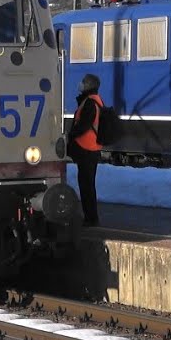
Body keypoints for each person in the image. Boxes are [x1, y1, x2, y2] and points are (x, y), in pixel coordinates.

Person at [67, 73, 103, 227]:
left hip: (86, 149)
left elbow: (84, 125)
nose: (80, 84)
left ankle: (91, 218)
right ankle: (90, 217)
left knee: (86, 185)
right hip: (91, 149)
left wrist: (71, 135)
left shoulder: (89, 103)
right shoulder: (95, 101)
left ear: (88, 85)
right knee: (88, 184)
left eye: (83, 82)